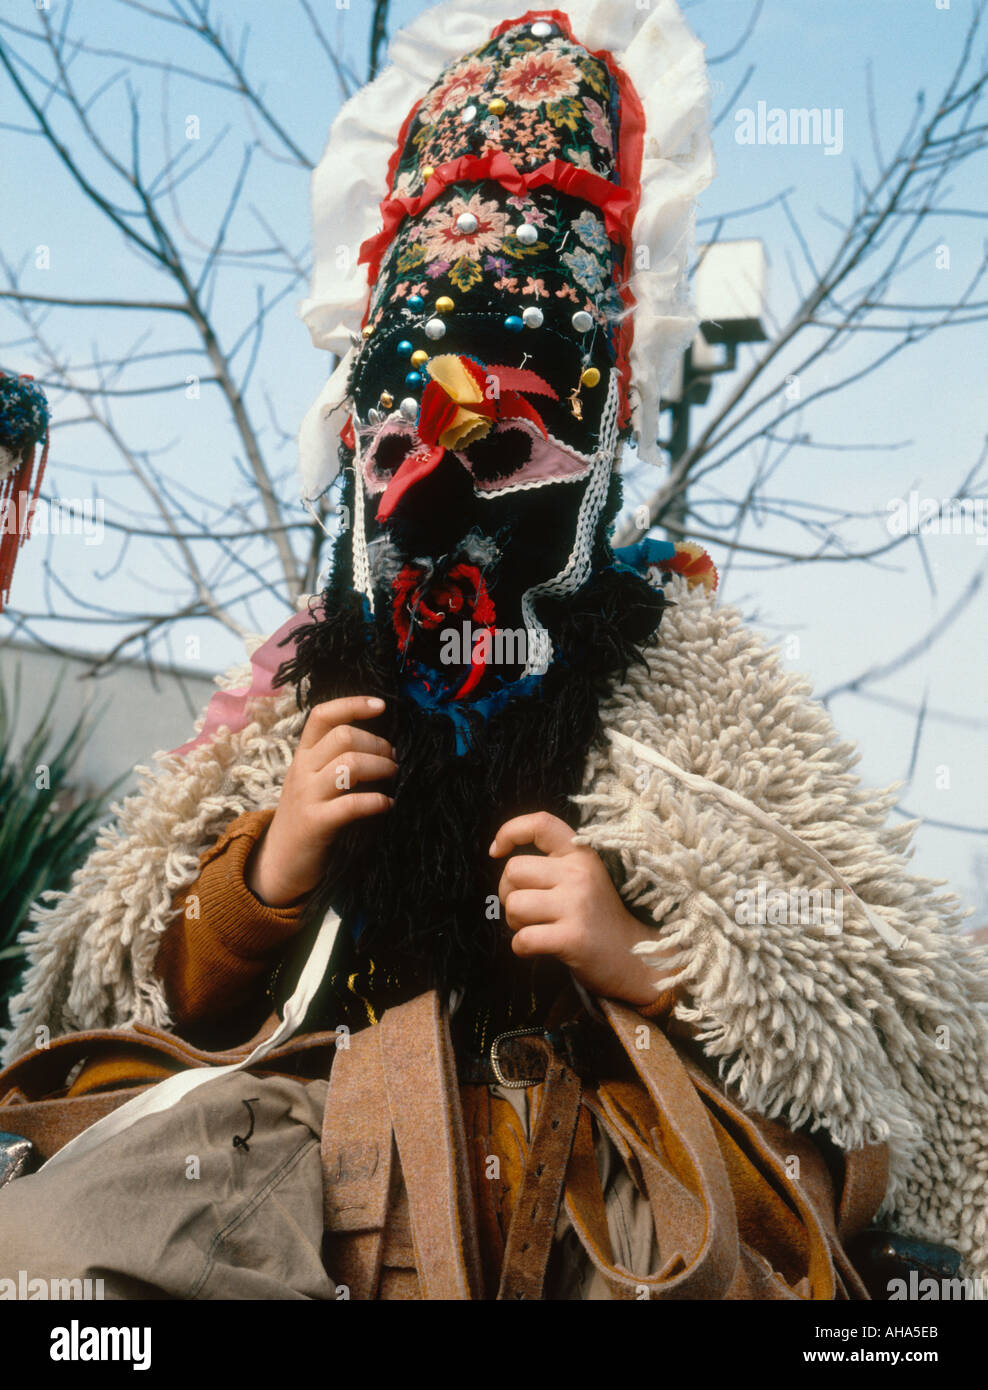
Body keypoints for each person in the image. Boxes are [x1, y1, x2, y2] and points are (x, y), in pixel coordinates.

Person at [0, 0, 985, 1301]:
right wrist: (267, 869)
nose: (440, 508)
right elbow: (112, 975)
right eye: (399, 445)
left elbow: (892, 1008)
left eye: (504, 450)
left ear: (600, 443)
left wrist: (643, 953)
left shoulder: (685, 680)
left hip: (604, 1194)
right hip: (298, 1171)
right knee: (57, 1273)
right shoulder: (307, 681)